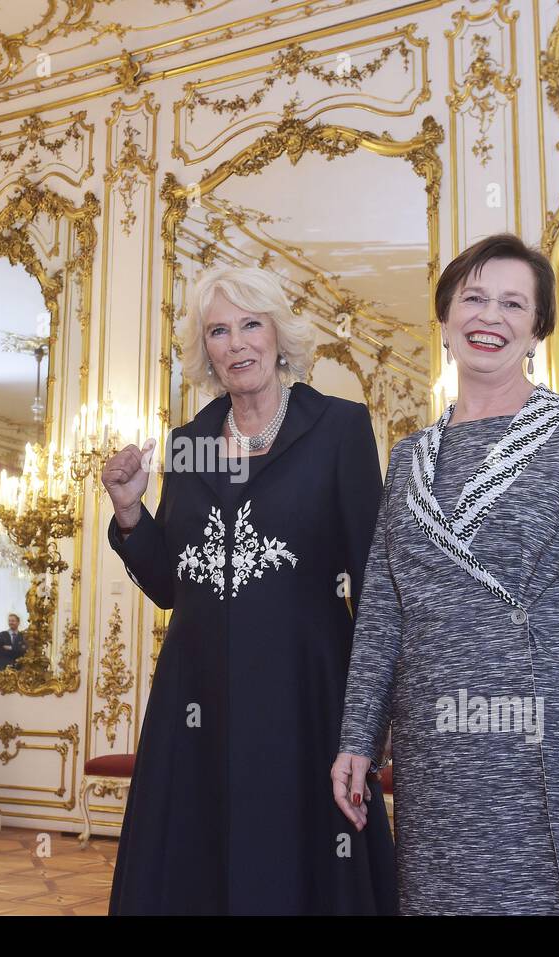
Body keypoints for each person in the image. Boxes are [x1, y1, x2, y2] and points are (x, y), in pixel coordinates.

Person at [333, 233, 559, 915]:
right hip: (438, 744)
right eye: (473, 298)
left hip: (551, 731)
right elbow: (384, 610)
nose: (490, 316)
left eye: (513, 303)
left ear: (537, 329)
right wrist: (358, 737)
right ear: (445, 319)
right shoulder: (410, 457)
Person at [101, 265, 395, 915]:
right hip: (198, 695)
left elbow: (376, 580)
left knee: (301, 863)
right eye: (219, 331)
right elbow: (173, 584)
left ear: (278, 334)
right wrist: (130, 513)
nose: (236, 343)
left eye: (250, 325)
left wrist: (371, 709)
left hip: (306, 693)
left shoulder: (338, 429)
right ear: (205, 349)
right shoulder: (187, 445)